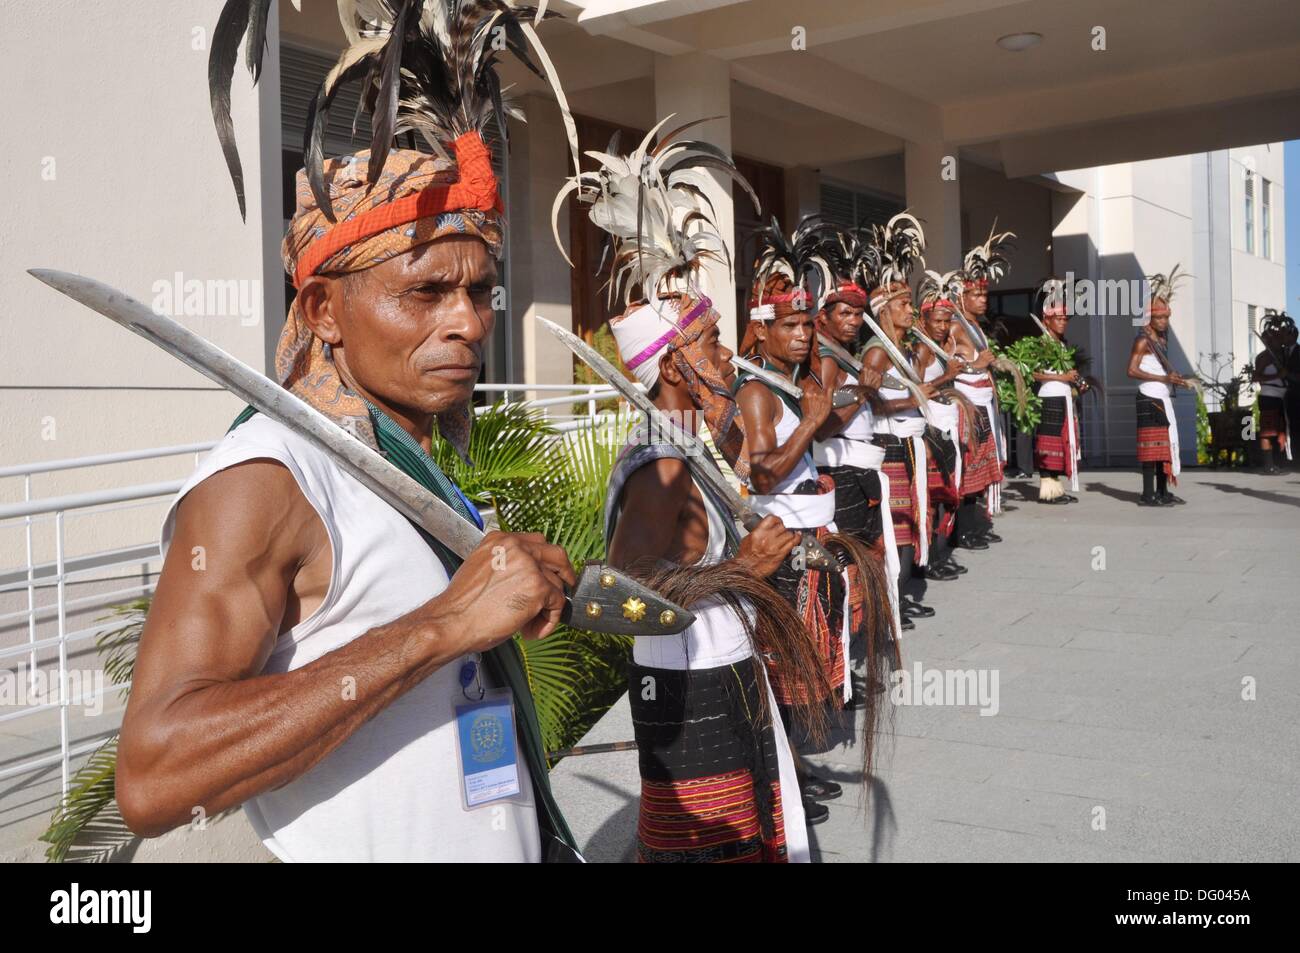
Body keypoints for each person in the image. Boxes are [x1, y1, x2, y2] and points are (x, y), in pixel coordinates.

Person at [115, 1, 587, 861]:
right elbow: (154, 771)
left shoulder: (401, 448)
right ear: (323, 310)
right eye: (425, 292)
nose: (470, 324)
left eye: (479, 291)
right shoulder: (265, 477)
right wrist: (444, 623)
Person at [555, 121, 826, 859]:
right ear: (673, 366)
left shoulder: (687, 445)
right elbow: (610, 599)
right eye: (710, 342)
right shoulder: (661, 463)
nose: (729, 353)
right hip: (689, 694)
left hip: (720, 675)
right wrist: (746, 571)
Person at [860, 214, 940, 623]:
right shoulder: (876, 351)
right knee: (895, 527)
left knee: (910, 522)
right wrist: (914, 400)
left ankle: (901, 598)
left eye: (910, 302)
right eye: (904, 304)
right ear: (884, 310)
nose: (912, 310)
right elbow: (869, 406)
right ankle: (889, 603)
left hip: (908, 443)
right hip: (889, 445)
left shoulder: (903, 347)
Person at [951, 227, 1016, 534]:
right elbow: (947, 364)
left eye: (984, 294)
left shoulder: (974, 324)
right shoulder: (954, 325)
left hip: (982, 401)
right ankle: (965, 528)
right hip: (967, 404)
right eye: (975, 294)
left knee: (982, 464)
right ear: (960, 296)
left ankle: (976, 522)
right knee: (970, 464)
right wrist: (976, 364)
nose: (982, 299)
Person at [1127, 268, 1190, 505]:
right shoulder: (1142, 340)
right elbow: (1131, 371)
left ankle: (1163, 492)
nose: (1163, 321)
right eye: (1159, 318)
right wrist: (1165, 379)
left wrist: (1174, 378)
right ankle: (1147, 494)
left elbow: (1159, 370)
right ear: (1149, 319)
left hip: (1162, 398)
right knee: (1150, 448)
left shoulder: (1161, 340)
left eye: (1166, 317)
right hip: (1148, 397)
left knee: (1164, 448)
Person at [1032, 280, 1084, 505]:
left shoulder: (1062, 344)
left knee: (1060, 441)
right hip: (1049, 397)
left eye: (1065, 319)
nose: (1063, 323)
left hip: (1063, 397)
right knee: (1049, 442)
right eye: (1058, 319)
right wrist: (1061, 377)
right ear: (1047, 320)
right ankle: (1047, 491)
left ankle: (1056, 489)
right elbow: (1034, 373)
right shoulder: (1041, 343)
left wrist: (1074, 379)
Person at [1254, 310, 1295, 474]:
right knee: (1267, 431)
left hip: (1281, 397)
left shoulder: (1282, 355)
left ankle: (1278, 462)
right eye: (1276, 338)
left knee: (1279, 430)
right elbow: (1256, 377)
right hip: (1269, 396)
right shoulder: (1264, 357)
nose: (1280, 341)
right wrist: (1277, 375)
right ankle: (1268, 465)